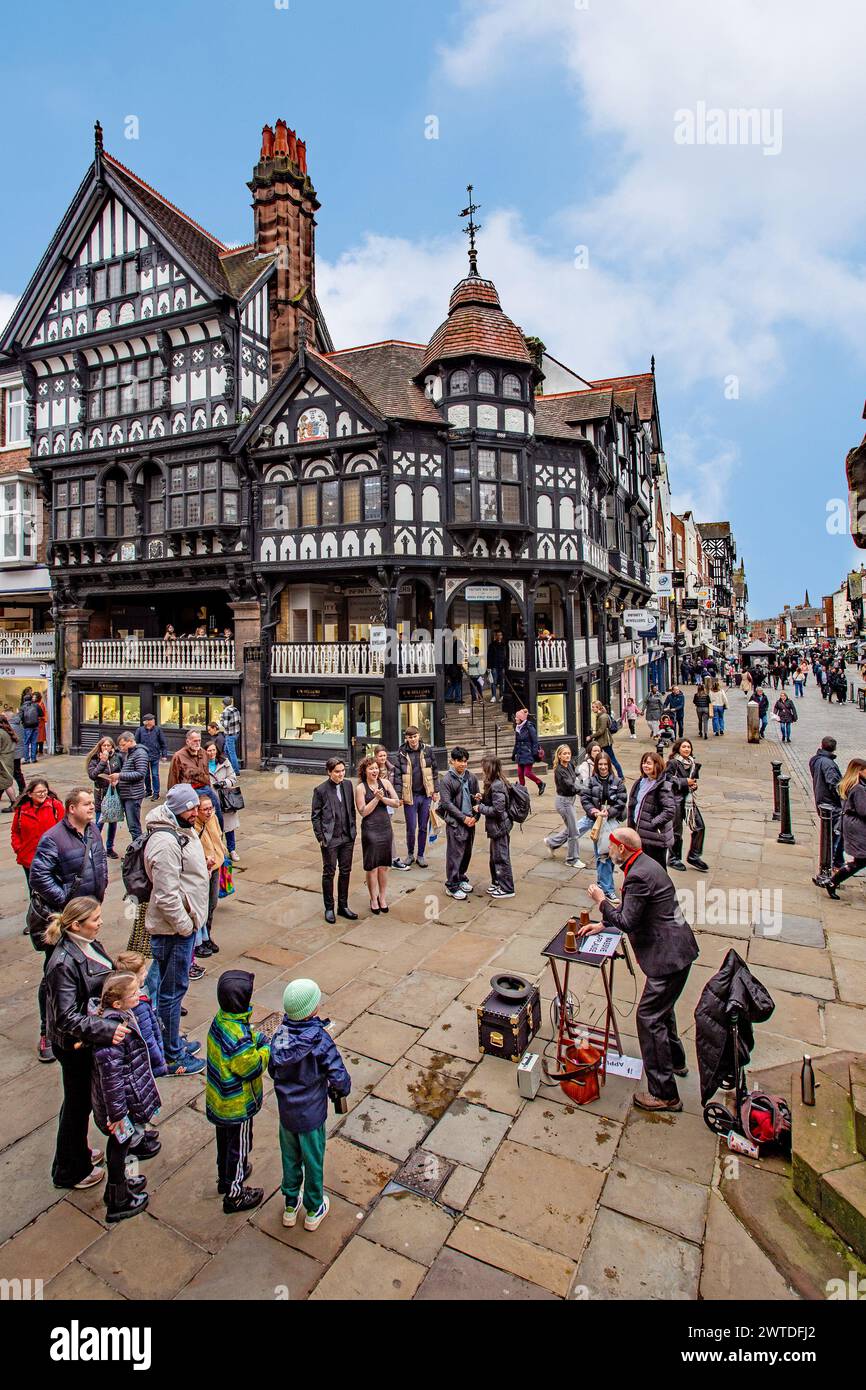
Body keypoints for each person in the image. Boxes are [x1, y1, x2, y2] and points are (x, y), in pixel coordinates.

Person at [578, 827, 699, 1112]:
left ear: (622, 848)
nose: (610, 850)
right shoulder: (645, 865)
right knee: (662, 1010)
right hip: (676, 952)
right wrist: (604, 924)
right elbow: (634, 910)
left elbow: (630, 921)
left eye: (612, 845)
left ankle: (664, 1093)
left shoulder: (638, 875)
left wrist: (601, 902)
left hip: (668, 957)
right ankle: (676, 1061)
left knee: (649, 1018)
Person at [43, 896, 122, 1190]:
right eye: (95, 920)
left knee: (81, 1102)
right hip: (74, 1045)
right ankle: (69, 1169)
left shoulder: (86, 943)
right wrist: (105, 1030)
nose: (100, 923)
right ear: (77, 924)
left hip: (86, 1040)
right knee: (77, 1105)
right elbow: (65, 1017)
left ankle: (78, 1151)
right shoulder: (62, 962)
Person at [29, 787, 108, 1064]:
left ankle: (78, 1015)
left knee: (82, 967)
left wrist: (98, 896)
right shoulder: (53, 838)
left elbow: (99, 864)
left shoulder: (92, 831)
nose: (92, 807)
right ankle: (47, 1031)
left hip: (86, 916)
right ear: (71, 808)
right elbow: (38, 877)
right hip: (65, 918)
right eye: (86, 804)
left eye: (91, 803)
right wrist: (65, 902)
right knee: (55, 973)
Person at [269, 977, 351, 1232]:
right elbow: (338, 1073)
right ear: (312, 1010)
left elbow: (273, 1068)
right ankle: (314, 1208)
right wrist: (341, 1088)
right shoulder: (318, 1039)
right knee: (313, 1160)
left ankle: (291, 1205)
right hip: (311, 1114)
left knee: (290, 1159)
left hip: (287, 1113)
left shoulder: (279, 1036)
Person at [143, 783, 211, 1076]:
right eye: (191, 808)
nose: (195, 812)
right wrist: (186, 927)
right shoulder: (166, 841)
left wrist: (201, 868)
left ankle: (170, 1040)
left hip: (183, 924)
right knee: (171, 992)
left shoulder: (180, 828)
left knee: (173, 990)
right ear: (177, 808)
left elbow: (182, 874)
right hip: (173, 930)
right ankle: (172, 1056)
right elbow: (166, 894)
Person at [90, 970, 160, 1221]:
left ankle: (119, 1188)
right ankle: (119, 1199)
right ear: (117, 1003)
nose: (139, 994)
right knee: (119, 1147)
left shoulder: (120, 1017)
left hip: (126, 1100)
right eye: (133, 993)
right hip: (120, 1107)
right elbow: (111, 1080)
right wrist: (118, 1114)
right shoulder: (112, 1035)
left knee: (122, 1146)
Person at [205, 969, 270, 1213]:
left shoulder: (222, 1020)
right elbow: (251, 1067)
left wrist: (256, 1037)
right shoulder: (239, 1036)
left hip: (219, 1099)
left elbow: (245, 1034)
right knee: (239, 1148)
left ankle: (225, 1177)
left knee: (225, 1142)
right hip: (237, 1104)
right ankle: (235, 1193)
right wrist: (265, 1050)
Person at [311, 757, 359, 924]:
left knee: (346, 871)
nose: (341, 774)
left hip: (347, 837)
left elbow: (351, 809)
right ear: (329, 772)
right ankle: (329, 908)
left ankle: (343, 906)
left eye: (342, 771)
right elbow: (315, 816)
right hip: (330, 839)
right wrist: (321, 838)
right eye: (337, 772)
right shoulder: (321, 790)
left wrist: (353, 830)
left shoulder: (348, 785)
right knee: (329, 873)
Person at [580, 750, 627, 902]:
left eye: (605, 764)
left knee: (610, 855)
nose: (602, 767)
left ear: (609, 765)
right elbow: (585, 799)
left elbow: (621, 801)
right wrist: (593, 811)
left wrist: (610, 812)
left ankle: (602, 885)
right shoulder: (590, 781)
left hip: (612, 822)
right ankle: (607, 889)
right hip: (598, 823)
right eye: (600, 764)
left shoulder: (617, 782)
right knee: (603, 855)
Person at [814, 759, 866, 898]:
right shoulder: (859, 788)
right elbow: (864, 810)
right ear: (859, 771)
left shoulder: (851, 784)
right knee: (860, 860)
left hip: (852, 825)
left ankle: (832, 882)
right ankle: (832, 882)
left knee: (860, 860)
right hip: (858, 827)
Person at [355, 755, 399, 912]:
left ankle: (383, 896)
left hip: (385, 827)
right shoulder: (361, 788)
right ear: (364, 771)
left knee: (384, 866)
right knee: (372, 867)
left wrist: (383, 799)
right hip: (370, 828)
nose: (374, 771)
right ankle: (373, 899)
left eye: (376, 768)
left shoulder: (385, 783)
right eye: (371, 768)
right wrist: (375, 799)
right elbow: (363, 812)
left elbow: (397, 802)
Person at [114, 950, 167, 1080]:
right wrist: (160, 1062)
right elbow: (148, 1039)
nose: (146, 974)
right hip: (148, 1062)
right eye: (143, 973)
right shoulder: (138, 1006)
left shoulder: (128, 1000)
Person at [394, 726, 439, 868]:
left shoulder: (427, 750)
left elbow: (435, 771)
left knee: (423, 827)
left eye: (415, 737)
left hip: (425, 795)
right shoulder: (401, 753)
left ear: (419, 736)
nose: (413, 740)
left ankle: (420, 855)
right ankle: (410, 854)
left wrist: (436, 790)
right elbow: (397, 776)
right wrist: (399, 795)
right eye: (410, 737)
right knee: (411, 827)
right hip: (410, 796)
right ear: (406, 738)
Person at [438, 746, 479, 900]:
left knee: (467, 853)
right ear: (452, 761)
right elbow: (447, 803)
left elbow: (476, 797)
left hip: (470, 820)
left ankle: (461, 877)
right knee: (455, 854)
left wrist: (476, 816)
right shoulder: (447, 780)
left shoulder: (471, 777)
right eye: (459, 761)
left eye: (465, 761)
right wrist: (463, 818)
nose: (463, 764)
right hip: (457, 822)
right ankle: (452, 885)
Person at [193, 789, 227, 963]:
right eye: (204, 809)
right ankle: (198, 941)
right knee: (201, 905)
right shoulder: (193, 825)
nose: (208, 812)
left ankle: (207, 935)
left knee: (212, 902)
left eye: (210, 808)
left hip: (216, 865)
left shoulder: (213, 818)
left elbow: (218, 836)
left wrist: (222, 854)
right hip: (202, 868)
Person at [11, 776, 64, 888]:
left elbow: (64, 830)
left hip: (51, 857)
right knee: (33, 889)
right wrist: (18, 848)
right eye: (39, 792)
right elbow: (15, 831)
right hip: (28, 857)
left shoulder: (55, 806)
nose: (42, 794)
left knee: (52, 889)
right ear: (30, 794)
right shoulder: (21, 809)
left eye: (45, 791)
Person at [474, 754, 515, 899]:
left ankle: (507, 888)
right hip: (496, 827)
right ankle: (498, 882)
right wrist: (482, 798)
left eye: (483, 766)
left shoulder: (497, 784)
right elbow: (493, 801)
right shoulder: (493, 782)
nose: (482, 769)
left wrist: (480, 808)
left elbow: (498, 810)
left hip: (500, 826)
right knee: (495, 857)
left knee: (501, 857)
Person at [665, 738, 708, 871]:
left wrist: (693, 786)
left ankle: (694, 855)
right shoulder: (673, 763)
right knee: (677, 832)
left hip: (688, 800)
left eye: (688, 747)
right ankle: (673, 858)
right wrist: (685, 782)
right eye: (684, 747)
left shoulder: (693, 764)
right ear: (678, 748)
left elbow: (693, 782)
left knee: (699, 827)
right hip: (675, 800)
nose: (686, 749)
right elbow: (667, 779)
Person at [627, 751, 676, 868]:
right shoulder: (640, 782)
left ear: (656, 765)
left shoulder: (662, 785)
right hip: (641, 835)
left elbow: (669, 810)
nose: (645, 766)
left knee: (657, 870)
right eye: (643, 763)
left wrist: (652, 823)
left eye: (648, 763)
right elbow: (634, 804)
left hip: (655, 838)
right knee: (643, 869)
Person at [545, 743, 590, 868]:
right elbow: (571, 785)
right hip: (564, 803)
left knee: (572, 828)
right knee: (574, 832)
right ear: (559, 756)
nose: (567, 755)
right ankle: (572, 859)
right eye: (564, 753)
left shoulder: (570, 764)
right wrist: (584, 791)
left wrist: (583, 781)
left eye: (569, 753)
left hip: (570, 801)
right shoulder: (559, 771)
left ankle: (552, 842)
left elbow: (577, 776)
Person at [167, 726, 223, 825]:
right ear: (188, 741)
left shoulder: (204, 753)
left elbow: (206, 773)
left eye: (199, 740)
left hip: (205, 788)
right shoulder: (179, 756)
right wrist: (173, 799)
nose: (197, 743)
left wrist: (209, 787)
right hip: (190, 791)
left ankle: (218, 836)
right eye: (194, 741)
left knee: (217, 814)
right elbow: (173, 779)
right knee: (193, 819)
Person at [809, 736, 844, 871]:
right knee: (837, 834)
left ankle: (835, 862)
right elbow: (834, 785)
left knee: (833, 834)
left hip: (822, 800)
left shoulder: (815, 759)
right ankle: (832, 864)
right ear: (834, 748)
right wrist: (842, 799)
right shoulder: (828, 764)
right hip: (830, 804)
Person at [87, 736, 123, 858]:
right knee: (99, 822)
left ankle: (109, 848)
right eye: (104, 746)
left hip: (114, 793)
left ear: (112, 747)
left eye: (109, 746)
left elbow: (122, 771)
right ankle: (93, 847)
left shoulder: (117, 758)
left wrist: (118, 780)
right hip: (101, 794)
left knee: (113, 822)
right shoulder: (95, 759)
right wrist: (103, 761)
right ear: (100, 747)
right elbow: (93, 775)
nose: (106, 748)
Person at [208, 742, 242, 863]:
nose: (211, 753)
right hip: (210, 801)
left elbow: (233, 778)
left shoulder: (225, 762)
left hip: (225, 799)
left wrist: (223, 783)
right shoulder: (201, 764)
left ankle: (232, 850)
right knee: (215, 828)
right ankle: (219, 851)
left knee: (229, 827)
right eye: (209, 750)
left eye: (213, 750)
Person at [115, 730, 150, 840]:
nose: (121, 748)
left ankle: (137, 852)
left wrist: (119, 776)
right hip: (128, 794)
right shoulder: (130, 753)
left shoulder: (140, 753)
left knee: (134, 826)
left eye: (123, 745)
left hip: (133, 795)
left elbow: (140, 774)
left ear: (130, 741)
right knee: (132, 826)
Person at [134, 713, 169, 800]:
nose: (153, 721)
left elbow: (163, 743)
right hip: (143, 756)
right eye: (152, 720)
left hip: (155, 755)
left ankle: (156, 793)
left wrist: (164, 755)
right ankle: (148, 791)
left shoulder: (158, 730)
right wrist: (136, 754)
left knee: (155, 775)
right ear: (147, 722)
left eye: (153, 719)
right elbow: (136, 743)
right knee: (145, 775)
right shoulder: (140, 730)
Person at [512, 707, 547, 795]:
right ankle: (521, 790)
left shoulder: (529, 726)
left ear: (521, 718)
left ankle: (540, 783)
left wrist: (534, 753)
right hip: (520, 753)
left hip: (528, 753)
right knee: (520, 773)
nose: (515, 719)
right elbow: (517, 742)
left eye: (517, 717)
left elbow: (535, 741)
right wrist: (514, 753)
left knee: (527, 773)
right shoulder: (517, 728)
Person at [591, 700, 624, 778]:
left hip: (605, 742)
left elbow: (601, 730)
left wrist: (591, 736)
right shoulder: (600, 715)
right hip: (602, 741)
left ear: (598, 707)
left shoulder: (603, 717)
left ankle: (621, 776)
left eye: (593, 707)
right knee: (600, 758)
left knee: (612, 759)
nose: (592, 709)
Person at [219, 695, 242, 774]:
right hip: (236, 733)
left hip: (230, 735)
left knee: (232, 753)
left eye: (222, 703)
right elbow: (239, 720)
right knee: (226, 750)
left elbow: (225, 725)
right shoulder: (235, 709)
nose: (221, 705)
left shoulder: (225, 712)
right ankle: (230, 768)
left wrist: (220, 719)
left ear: (224, 703)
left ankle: (236, 772)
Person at [0, 714, 17, 813]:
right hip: (8, 758)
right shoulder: (8, 731)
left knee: (7, 783)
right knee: (5, 782)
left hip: (2, 761)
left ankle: (14, 803)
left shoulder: (1, 733)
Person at [19, 690, 40, 765]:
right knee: (34, 742)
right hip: (35, 726)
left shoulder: (22, 707)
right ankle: (33, 758)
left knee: (26, 743)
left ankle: (27, 759)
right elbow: (41, 714)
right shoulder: (36, 705)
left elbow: (20, 717)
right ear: (31, 699)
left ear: (24, 700)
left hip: (27, 727)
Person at [487, 631, 507, 702]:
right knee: (494, 682)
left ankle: (501, 696)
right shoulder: (492, 645)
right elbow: (489, 656)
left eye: (500, 635)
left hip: (502, 666)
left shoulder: (504, 645)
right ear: (496, 636)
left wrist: (505, 666)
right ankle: (494, 696)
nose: (499, 636)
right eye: (498, 635)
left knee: (502, 682)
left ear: (502, 636)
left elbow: (505, 656)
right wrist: (489, 667)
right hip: (494, 665)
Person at [35, 691, 48, 757]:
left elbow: (42, 713)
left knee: (39, 738)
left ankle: (39, 751)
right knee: (38, 738)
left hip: (40, 723)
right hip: (38, 723)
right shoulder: (39, 704)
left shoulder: (40, 704)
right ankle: (37, 751)